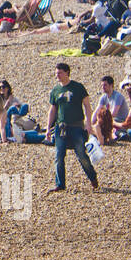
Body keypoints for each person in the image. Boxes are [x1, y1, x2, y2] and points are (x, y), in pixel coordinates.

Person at [46, 63, 98, 192]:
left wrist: (89, 124)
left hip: (76, 126)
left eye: (60, 73)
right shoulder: (55, 90)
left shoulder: (78, 87)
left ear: (67, 73)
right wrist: (48, 128)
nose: (57, 75)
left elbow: (87, 105)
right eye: (56, 73)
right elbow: (52, 110)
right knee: (59, 155)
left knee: (81, 154)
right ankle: (60, 184)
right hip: (61, 127)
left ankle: (92, 176)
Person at [91, 75, 129, 144]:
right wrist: (91, 123)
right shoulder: (104, 97)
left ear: (111, 85)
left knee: (99, 127)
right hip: (111, 120)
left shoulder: (118, 96)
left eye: (105, 85)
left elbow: (114, 113)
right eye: (102, 85)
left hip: (120, 121)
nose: (103, 87)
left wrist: (101, 121)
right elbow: (97, 110)